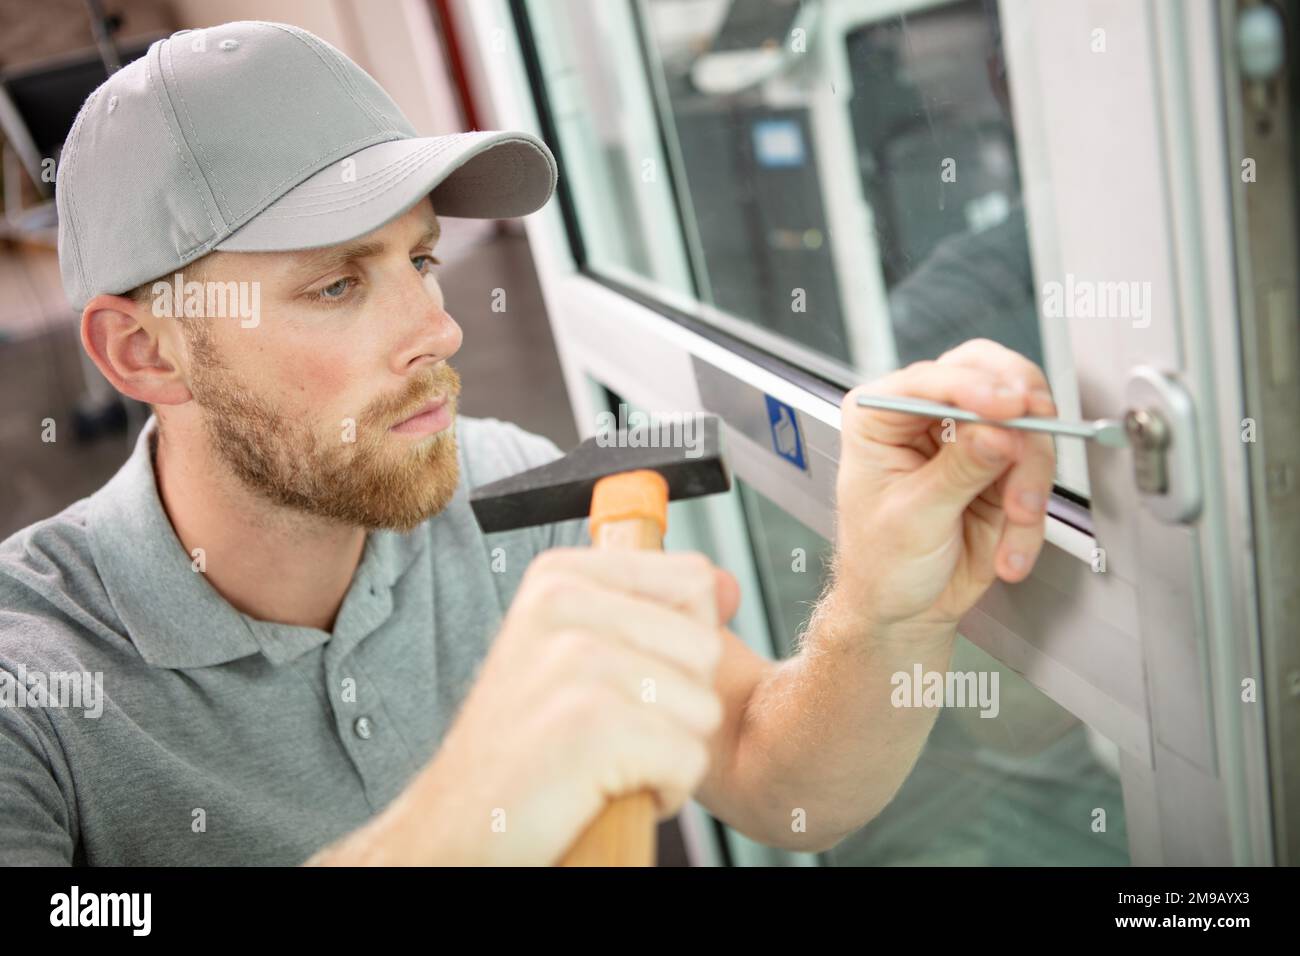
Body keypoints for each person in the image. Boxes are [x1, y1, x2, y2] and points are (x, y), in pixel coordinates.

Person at [0, 22, 1057, 865]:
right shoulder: (30, 689)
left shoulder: (497, 482)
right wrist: (464, 812)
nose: (440, 329)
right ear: (143, 351)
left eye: (419, 259)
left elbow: (770, 772)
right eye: (336, 283)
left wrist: (883, 608)